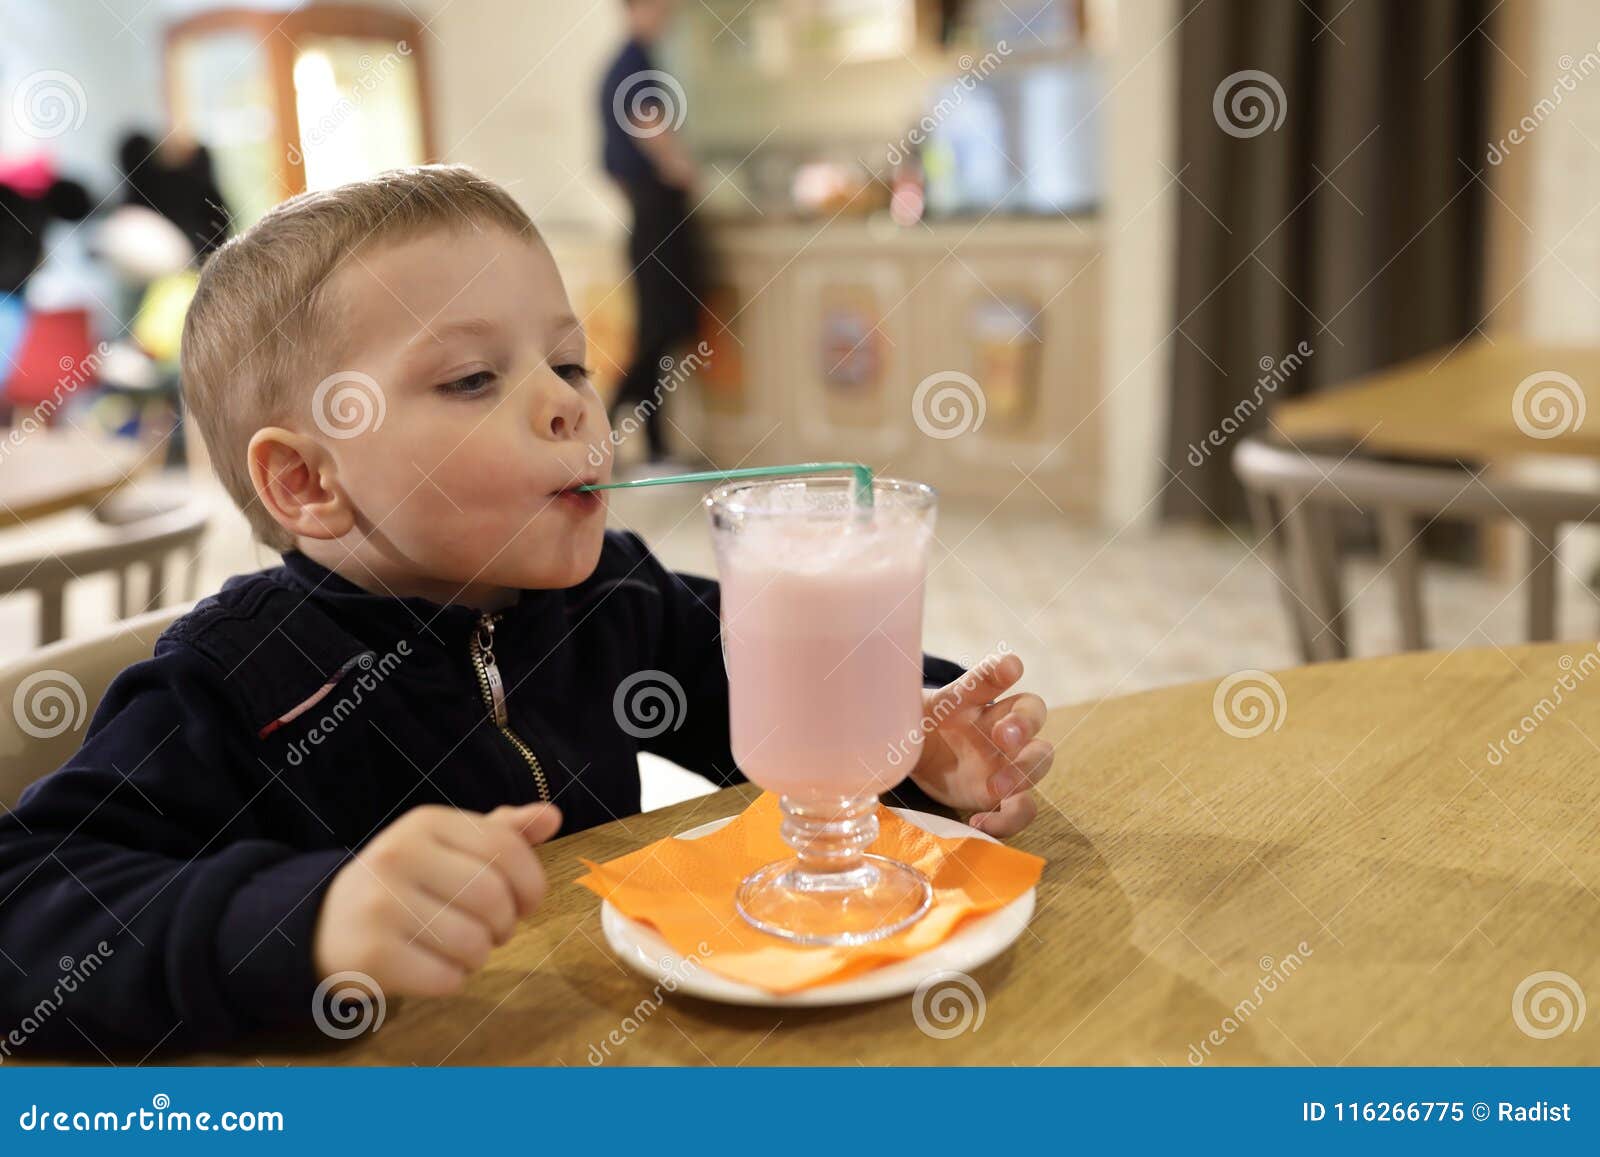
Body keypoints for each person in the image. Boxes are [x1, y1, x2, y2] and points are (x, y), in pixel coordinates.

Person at [0, 166, 1056, 1054]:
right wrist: (308, 917)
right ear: (309, 484)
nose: (567, 403)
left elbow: (778, 685)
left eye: (566, 362)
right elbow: (27, 911)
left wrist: (915, 727)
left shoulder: (611, 593)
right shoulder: (239, 677)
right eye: (469, 378)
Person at [599, 0, 706, 466]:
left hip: (647, 215)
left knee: (658, 332)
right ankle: (603, 426)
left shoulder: (625, 64)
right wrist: (685, 173)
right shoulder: (634, 64)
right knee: (661, 330)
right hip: (658, 216)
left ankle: (657, 445)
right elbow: (652, 132)